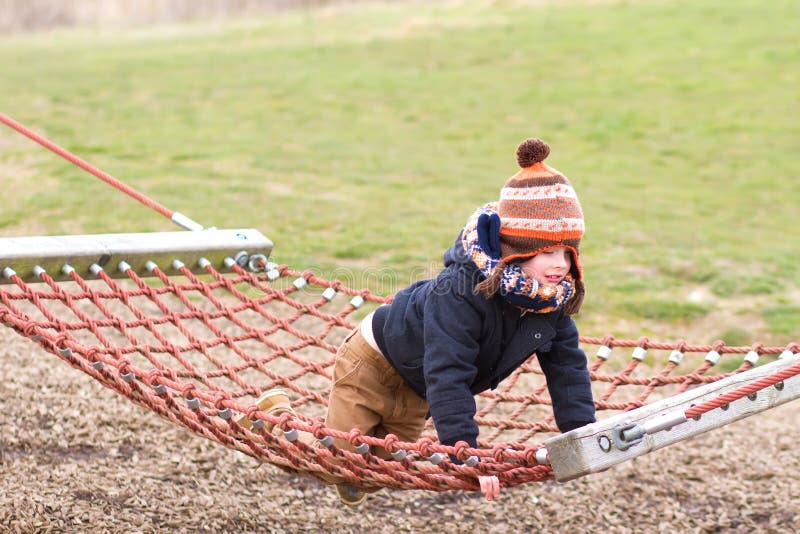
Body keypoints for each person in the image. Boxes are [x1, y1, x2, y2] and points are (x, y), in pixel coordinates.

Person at [243, 137, 596, 506]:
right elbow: (448, 370)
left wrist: (582, 432)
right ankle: (273, 419)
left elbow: (567, 366)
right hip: (373, 364)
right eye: (548, 252)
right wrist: (466, 453)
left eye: (569, 253)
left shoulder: (550, 301)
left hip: (417, 391)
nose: (561, 265)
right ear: (515, 249)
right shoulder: (461, 292)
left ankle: (356, 473)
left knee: (384, 472)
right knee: (334, 459)